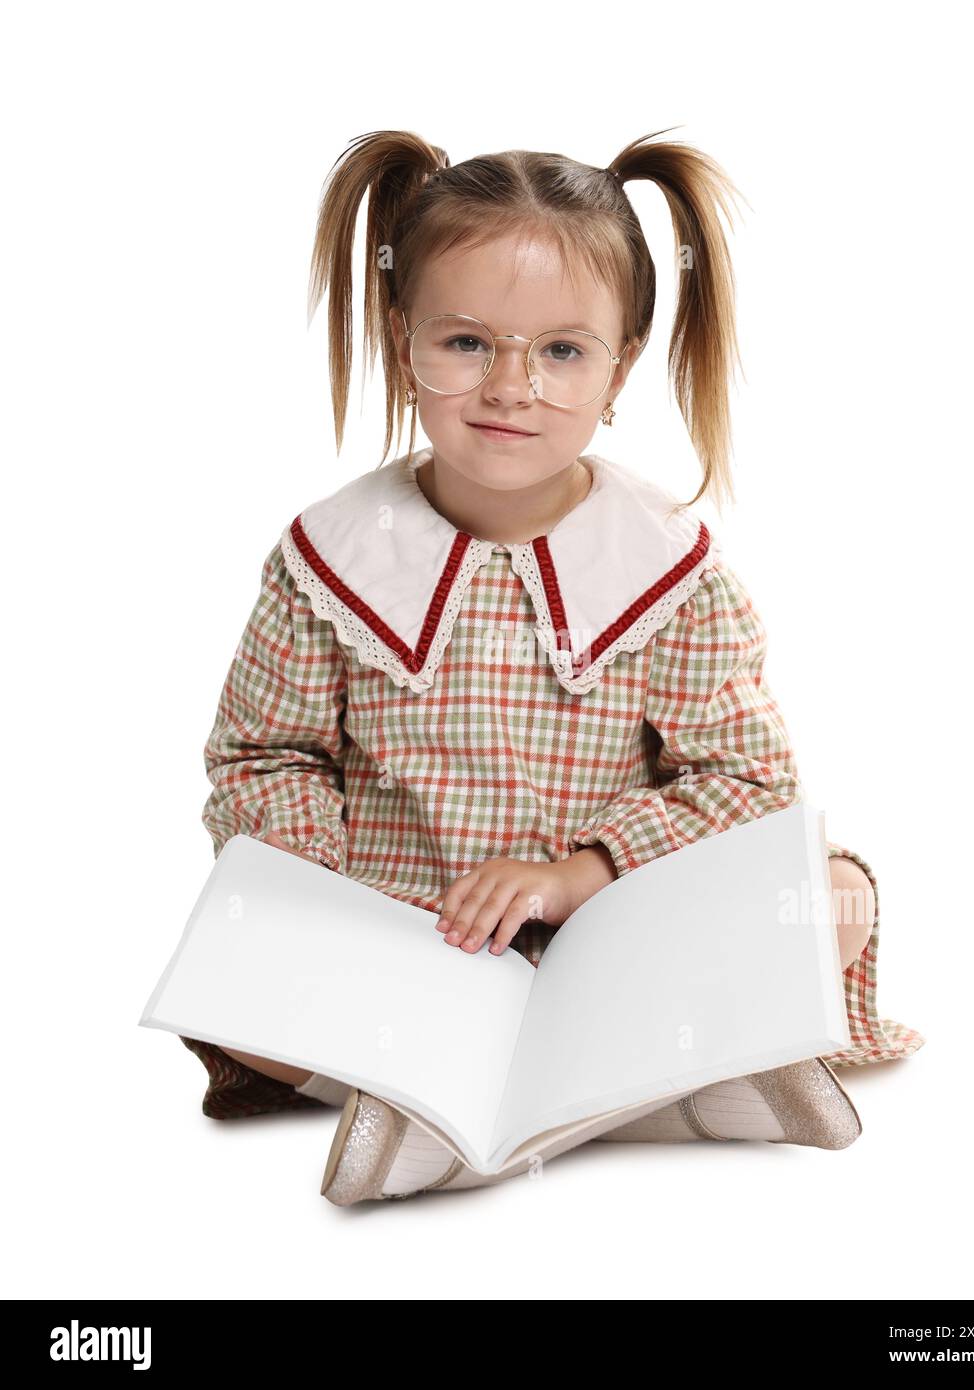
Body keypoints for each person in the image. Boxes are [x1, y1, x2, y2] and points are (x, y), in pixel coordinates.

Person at [180, 128, 925, 1205]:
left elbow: (749, 788)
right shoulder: (327, 561)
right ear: (404, 341)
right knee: (231, 949)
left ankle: (510, 1111)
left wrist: (579, 877)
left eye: (562, 351)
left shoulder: (668, 570)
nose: (511, 387)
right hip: (408, 951)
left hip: (613, 956)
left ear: (620, 368)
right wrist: (337, 897)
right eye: (467, 342)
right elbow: (262, 759)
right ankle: (608, 1104)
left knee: (831, 889)